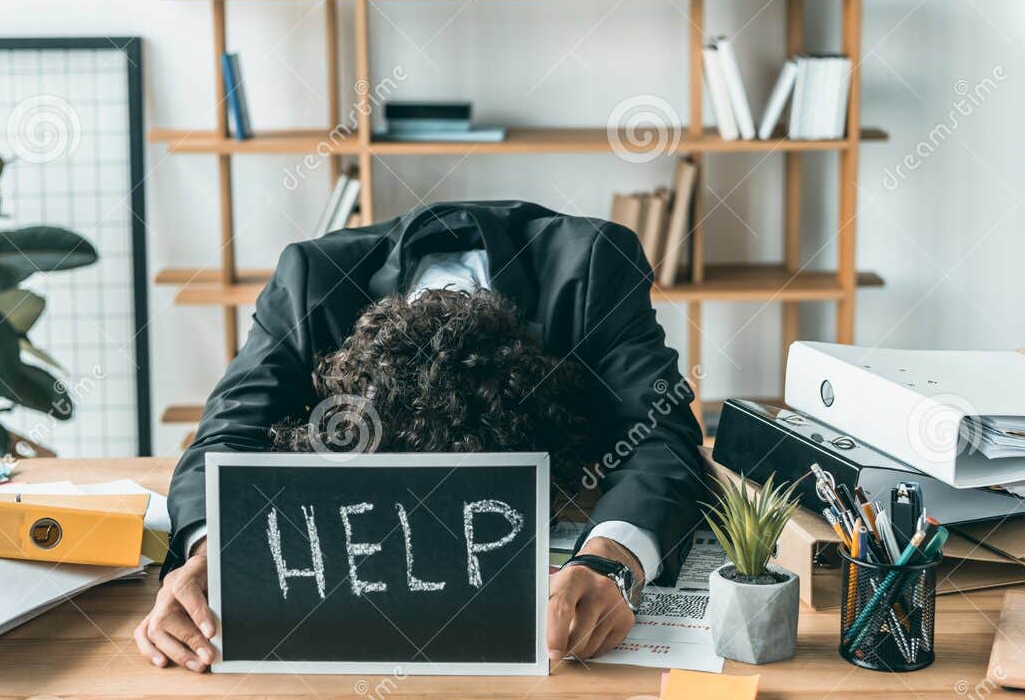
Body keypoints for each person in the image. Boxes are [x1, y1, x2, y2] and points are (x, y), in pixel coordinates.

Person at [134, 200, 707, 672]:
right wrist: (217, 552)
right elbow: (225, 433)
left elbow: (659, 433)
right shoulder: (311, 277)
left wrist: (611, 560)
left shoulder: (595, 263)